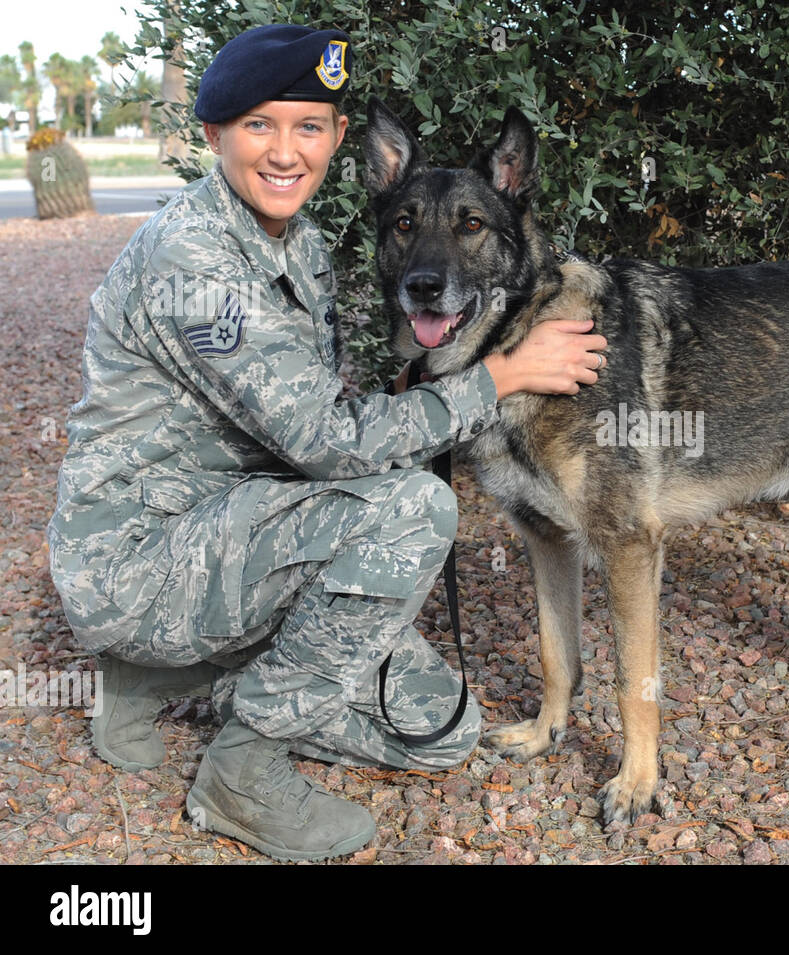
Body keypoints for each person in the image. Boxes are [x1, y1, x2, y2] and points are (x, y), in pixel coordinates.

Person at [44, 23, 607, 862]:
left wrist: (435, 386)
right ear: (213, 135)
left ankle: (170, 675)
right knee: (413, 508)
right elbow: (323, 441)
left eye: (308, 126)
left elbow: (318, 415)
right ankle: (242, 768)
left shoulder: (297, 243)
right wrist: (502, 376)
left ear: (339, 140)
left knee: (445, 731)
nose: (285, 151)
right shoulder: (194, 259)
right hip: (141, 562)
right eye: (259, 125)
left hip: (243, 539)